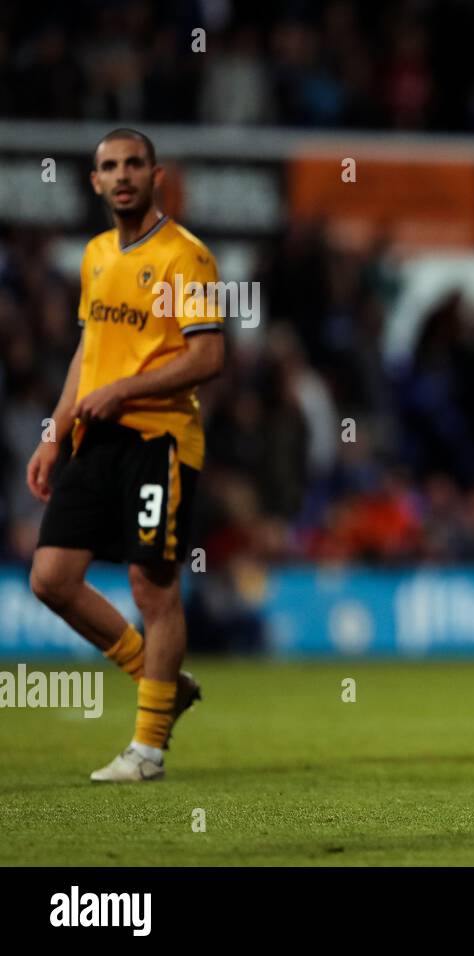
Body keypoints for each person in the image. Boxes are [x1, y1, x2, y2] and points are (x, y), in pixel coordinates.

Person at [27, 128, 224, 782]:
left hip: (158, 438)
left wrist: (124, 391)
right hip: (94, 436)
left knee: (153, 585)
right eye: (109, 166)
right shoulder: (95, 255)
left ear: (155, 175)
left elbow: (208, 356)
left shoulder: (185, 257)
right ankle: (165, 684)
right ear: (95, 181)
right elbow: (90, 349)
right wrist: (53, 431)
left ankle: (147, 751)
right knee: (51, 578)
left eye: (134, 164)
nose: (122, 175)